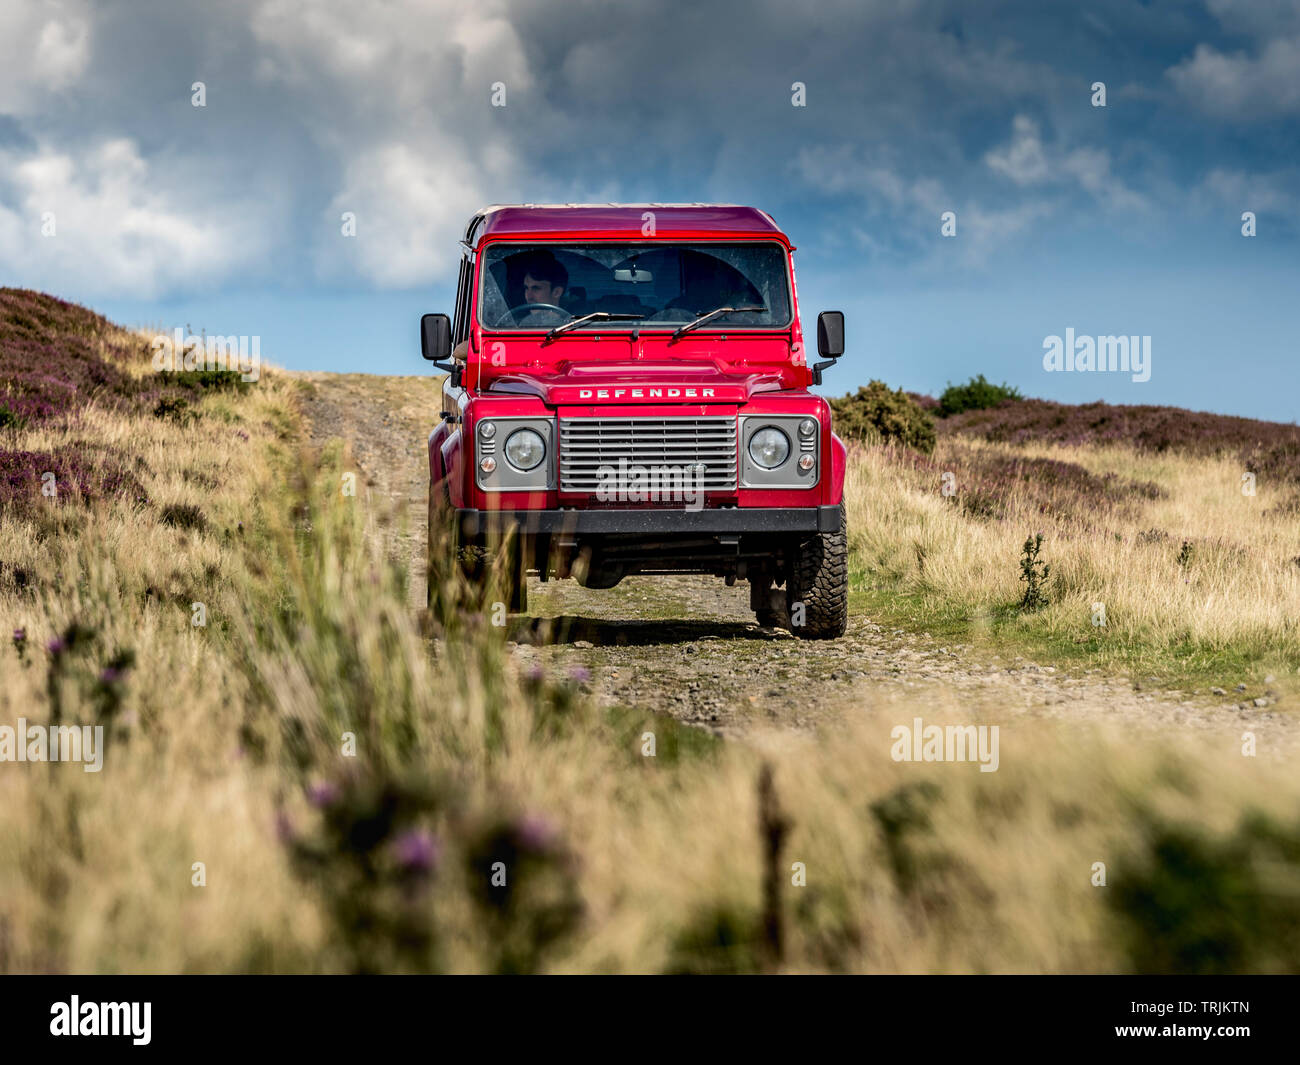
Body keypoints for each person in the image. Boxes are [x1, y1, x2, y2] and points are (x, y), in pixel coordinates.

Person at [514, 250, 569, 321]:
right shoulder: (522, 324)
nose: (528, 296)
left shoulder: (575, 327)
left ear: (557, 292)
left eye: (536, 288)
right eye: (526, 288)